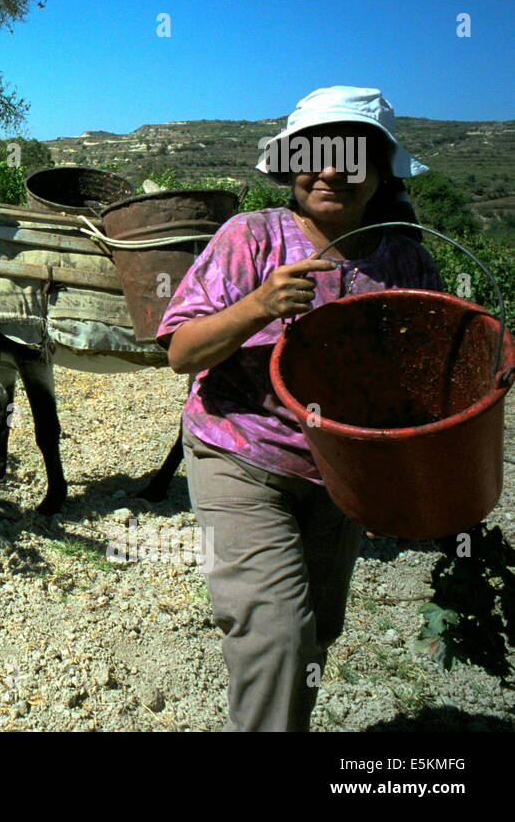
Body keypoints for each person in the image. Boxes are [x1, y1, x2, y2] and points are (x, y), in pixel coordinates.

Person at [155, 86, 446, 731]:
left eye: (352, 156)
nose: (331, 170)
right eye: (315, 153)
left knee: (315, 634)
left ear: (380, 171)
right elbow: (180, 352)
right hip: (239, 451)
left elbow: (432, 371)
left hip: (339, 473)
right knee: (279, 636)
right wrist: (256, 305)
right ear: (291, 164)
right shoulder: (252, 237)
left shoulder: (403, 258)